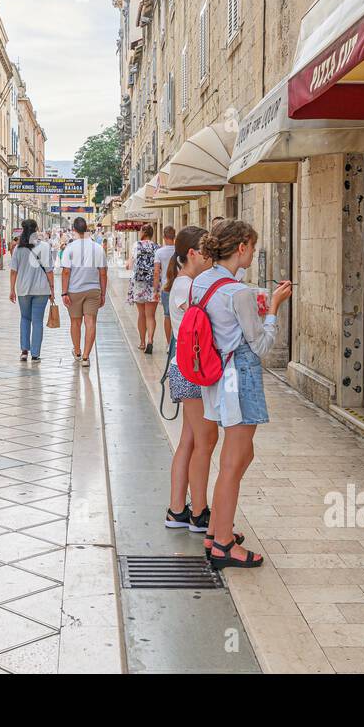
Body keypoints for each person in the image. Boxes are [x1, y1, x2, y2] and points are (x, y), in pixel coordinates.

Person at [191, 220, 292, 570]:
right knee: (234, 463)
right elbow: (261, 345)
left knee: (241, 456)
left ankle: (216, 528)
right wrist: (275, 308)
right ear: (243, 247)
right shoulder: (240, 293)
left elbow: (222, 326)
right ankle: (222, 544)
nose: (255, 251)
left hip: (215, 377)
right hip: (240, 377)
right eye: (254, 245)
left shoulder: (201, 283)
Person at [160, 225, 221, 539]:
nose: (211, 257)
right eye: (206, 250)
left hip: (183, 368)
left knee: (189, 440)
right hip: (192, 371)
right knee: (204, 440)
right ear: (193, 254)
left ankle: (177, 509)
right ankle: (198, 512)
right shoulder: (187, 287)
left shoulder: (184, 283)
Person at [60, 216, 108, 367]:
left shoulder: (70, 248)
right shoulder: (97, 248)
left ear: (74, 230)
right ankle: (86, 357)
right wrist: (103, 293)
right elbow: (103, 273)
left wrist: (64, 292)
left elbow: (66, 272)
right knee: (90, 322)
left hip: (74, 290)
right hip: (93, 290)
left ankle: (78, 351)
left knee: (75, 322)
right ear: (87, 229)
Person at [8, 219, 56, 363]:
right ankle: (35, 353)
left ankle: (24, 351)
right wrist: (52, 289)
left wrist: (12, 289)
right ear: (36, 230)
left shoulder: (18, 248)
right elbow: (49, 271)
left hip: (23, 289)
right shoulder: (45, 247)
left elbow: (13, 271)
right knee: (37, 321)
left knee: (24, 318)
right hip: (41, 290)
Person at [127, 223, 159, 354]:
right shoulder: (157, 247)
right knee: (150, 315)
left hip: (139, 283)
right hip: (152, 283)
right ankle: (150, 340)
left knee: (141, 314)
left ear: (142, 233)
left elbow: (129, 265)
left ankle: (142, 342)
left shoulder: (136, 245)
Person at [153, 226, 177, 348]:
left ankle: (169, 344)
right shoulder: (179, 250)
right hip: (178, 286)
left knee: (167, 315)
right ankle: (177, 342)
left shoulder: (159, 252)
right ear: (174, 236)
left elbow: (156, 272)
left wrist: (155, 290)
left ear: (164, 237)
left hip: (166, 287)